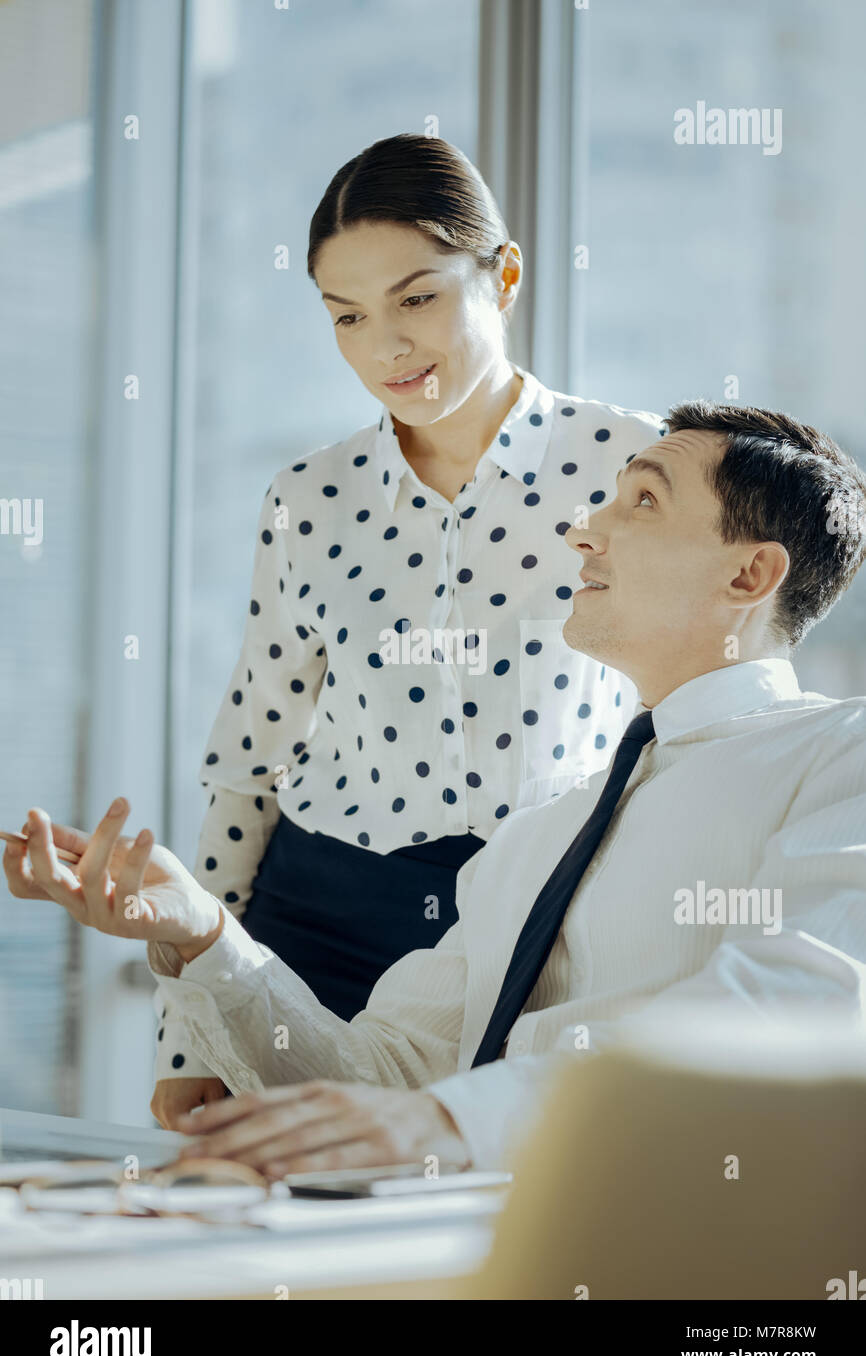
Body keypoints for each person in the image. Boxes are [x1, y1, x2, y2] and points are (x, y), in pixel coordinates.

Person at [7, 402, 866, 1174]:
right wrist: (205, 937)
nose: (584, 530)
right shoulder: (532, 842)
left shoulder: (840, 756)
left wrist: (455, 1121)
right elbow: (378, 1081)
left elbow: (796, 1010)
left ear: (749, 577)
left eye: (642, 500)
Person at [152, 132, 662, 1127]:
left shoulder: (632, 460)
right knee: (291, 1243)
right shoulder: (308, 494)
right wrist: (188, 1028)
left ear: (502, 275)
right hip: (318, 922)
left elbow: (687, 698)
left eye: (416, 297)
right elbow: (248, 760)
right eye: (346, 315)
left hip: (541, 922)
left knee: (501, 1229)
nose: (384, 346)